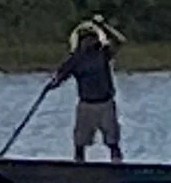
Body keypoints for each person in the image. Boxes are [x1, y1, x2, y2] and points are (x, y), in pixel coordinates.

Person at [47, 15, 127, 163]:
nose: (88, 42)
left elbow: (120, 41)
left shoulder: (103, 54)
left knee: (112, 140)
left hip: (105, 104)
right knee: (80, 141)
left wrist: (104, 26)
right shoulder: (75, 60)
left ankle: (117, 164)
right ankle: (79, 165)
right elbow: (60, 76)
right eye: (85, 39)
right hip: (86, 105)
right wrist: (53, 83)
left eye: (91, 38)